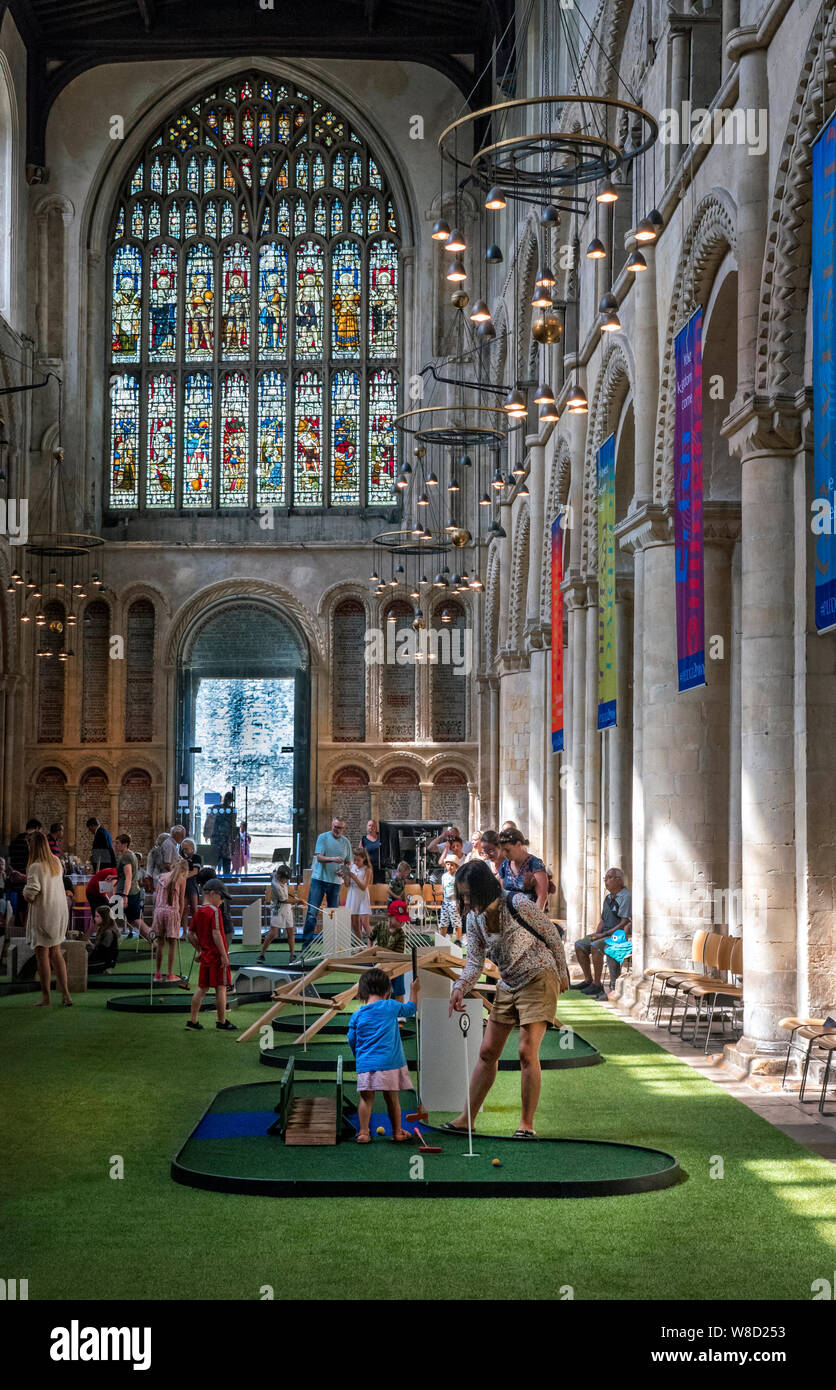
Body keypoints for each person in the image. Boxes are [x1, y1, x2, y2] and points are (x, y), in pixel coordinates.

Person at [446, 859, 569, 1140]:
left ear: (483, 888)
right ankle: (467, 1118)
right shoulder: (474, 918)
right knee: (487, 1052)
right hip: (509, 981)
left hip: (539, 975)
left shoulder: (517, 904)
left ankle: (526, 1124)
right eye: (462, 894)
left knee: (526, 1051)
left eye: (469, 893)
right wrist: (459, 987)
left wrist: (562, 973)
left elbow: (552, 936)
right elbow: (474, 962)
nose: (466, 900)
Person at [347, 966, 420, 1144]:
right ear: (388, 990)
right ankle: (397, 1132)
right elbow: (411, 1009)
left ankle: (364, 1132)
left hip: (366, 1063)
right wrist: (414, 990)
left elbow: (351, 1038)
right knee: (392, 1099)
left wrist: (360, 1057)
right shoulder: (391, 1006)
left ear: (363, 991)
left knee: (366, 1099)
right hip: (390, 1063)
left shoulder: (357, 1015)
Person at [23, 829, 72, 1008]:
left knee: (42, 954)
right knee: (56, 953)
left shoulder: (36, 865)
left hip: (44, 912)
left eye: (29, 844)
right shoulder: (56, 861)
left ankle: (46, 998)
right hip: (59, 912)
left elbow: (31, 893)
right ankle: (66, 994)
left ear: (33, 846)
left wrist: (24, 891)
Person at [573, 867, 632, 999]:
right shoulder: (608, 898)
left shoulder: (626, 897)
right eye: (605, 878)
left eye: (609, 877)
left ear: (619, 880)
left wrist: (601, 936)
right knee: (580, 945)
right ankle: (588, 980)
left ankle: (597, 984)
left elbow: (623, 923)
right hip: (606, 934)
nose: (606, 881)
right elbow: (603, 920)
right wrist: (596, 934)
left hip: (619, 935)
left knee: (596, 946)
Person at [186, 878, 236, 1031]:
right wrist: (224, 955)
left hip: (206, 956)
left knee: (202, 988)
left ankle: (193, 1021)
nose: (221, 902)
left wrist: (201, 950)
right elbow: (216, 934)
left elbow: (190, 935)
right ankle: (221, 1022)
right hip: (216, 957)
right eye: (221, 898)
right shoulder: (214, 912)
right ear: (213, 894)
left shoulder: (199, 911)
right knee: (221, 988)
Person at [299, 815, 352, 954]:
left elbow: (348, 862)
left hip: (335, 883)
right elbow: (319, 857)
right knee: (311, 913)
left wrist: (344, 871)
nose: (338, 830)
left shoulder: (346, 842)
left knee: (332, 915)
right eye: (336, 827)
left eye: (340, 828)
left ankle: (332, 947)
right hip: (319, 880)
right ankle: (306, 947)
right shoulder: (323, 837)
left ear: (344, 828)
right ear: (331, 826)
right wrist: (333, 859)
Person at [151, 856, 188, 982]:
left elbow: (156, 896)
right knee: (172, 944)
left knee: (160, 944)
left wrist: (155, 912)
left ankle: (157, 974)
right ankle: (170, 974)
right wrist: (180, 916)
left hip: (159, 910)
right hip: (172, 912)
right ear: (184, 870)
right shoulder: (182, 879)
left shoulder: (161, 876)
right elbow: (181, 901)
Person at [498, 828, 551, 910]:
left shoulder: (535, 864)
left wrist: (534, 920)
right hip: (509, 915)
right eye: (502, 850)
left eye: (507, 850)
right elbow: (502, 894)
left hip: (531, 913)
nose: (504, 854)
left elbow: (542, 896)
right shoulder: (504, 865)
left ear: (519, 845)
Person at [376, 880, 409, 999]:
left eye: (403, 920)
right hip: (383, 963)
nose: (402, 922)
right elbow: (373, 939)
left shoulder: (401, 934)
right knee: (383, 990)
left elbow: (399, 953)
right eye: (399, 919)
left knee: (399, 991)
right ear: (390, 917)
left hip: (397, 964)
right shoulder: (381, 927)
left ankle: (400, 1015)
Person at [258, 863, 297, 962]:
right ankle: (262, 954)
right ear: (279, 877)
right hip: (278, 909)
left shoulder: (278, 874)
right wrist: (298, 901)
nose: (287, 881)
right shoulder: (276, 885)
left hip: (287, 909)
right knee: (273, 934)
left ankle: (292, 955)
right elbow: (284, 900)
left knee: (291, 932)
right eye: (285, 879)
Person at [114, 833, 142, 937]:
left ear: (125, 844)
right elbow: (125, 875)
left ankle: (151, 937)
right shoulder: (130, 854)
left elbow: (129, 876)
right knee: (132, 919)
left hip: (128, 892)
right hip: (129, 891)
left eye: (118, 843)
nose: (116, 845)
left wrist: (125, 895)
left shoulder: (126, 856)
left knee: (134, 920)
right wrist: (114, 878)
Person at [344, 845, 372, 943]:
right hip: (352, 895)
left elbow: (364, 887)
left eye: (358, 860)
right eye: (354, 860)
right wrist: (345, 875)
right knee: (354, 924)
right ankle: (360, 945)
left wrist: (354, 877)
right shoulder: (352, 867)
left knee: (365, 922)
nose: (356, 862)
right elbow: (347, 885)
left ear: (364, 859)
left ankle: (372, 944)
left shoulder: (367, 869)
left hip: (362, 896)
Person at [87, 904, 120, 973]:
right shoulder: (102, 928)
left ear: (105, 917)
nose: (95, 918)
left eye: (97, 916)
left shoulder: (108, 932)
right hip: (101, 958)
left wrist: (90, 944)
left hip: (104, 962)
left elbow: (102, 951)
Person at [210, 793, 238, 875]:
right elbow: (233, 824)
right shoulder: (232, 810)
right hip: (225, 840)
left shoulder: (216, 808)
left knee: (215, 862)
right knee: (225, 862)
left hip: (218, 840)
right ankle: (226, 880)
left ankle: (213, 878)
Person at [180, 838, 202, 934]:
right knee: (184, 908)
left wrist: (184, 876)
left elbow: (195, 871)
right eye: (183, 849)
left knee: (194, 908)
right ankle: (184, 931)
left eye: (186, 849)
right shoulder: (181, 857)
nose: (184, 851)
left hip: (192, 884)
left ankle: (195, 931)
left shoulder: (197, 857)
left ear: (192, 848)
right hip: (183, 885)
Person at [440, 853, 463, 940]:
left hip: (454, 901)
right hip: (445, 901)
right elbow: (442, 888)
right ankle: (442, 940)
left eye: (452, 865)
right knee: (443, 921)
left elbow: (460, 890)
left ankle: (458, 940)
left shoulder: (458, 876)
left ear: (456, 866)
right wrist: (437, 892)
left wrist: (459, 902)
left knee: (456, 922)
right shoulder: (444, 876)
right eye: (448, 864)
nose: (449, 867)